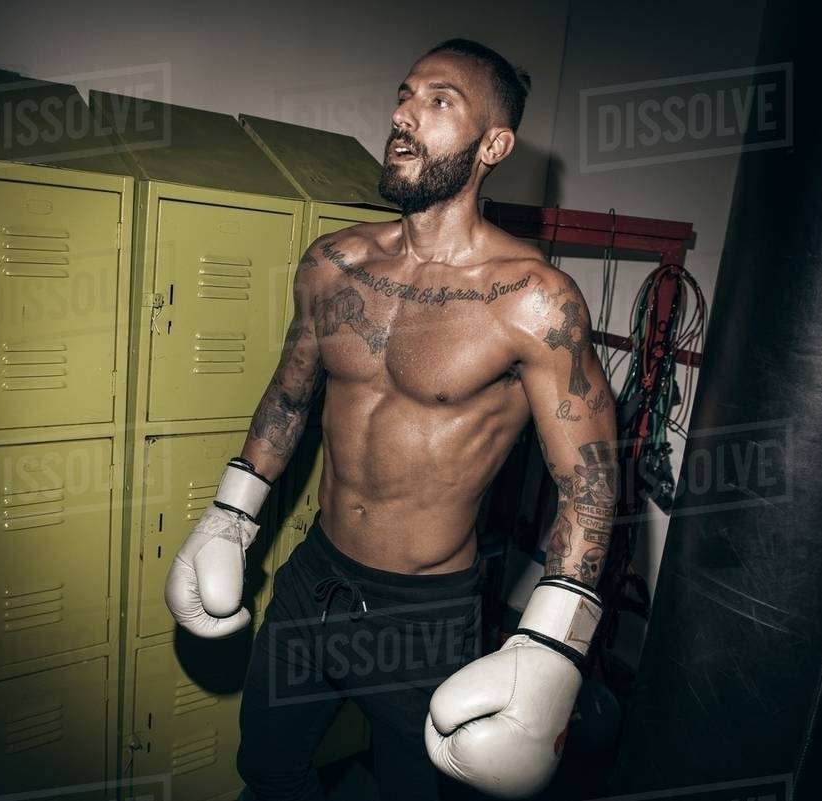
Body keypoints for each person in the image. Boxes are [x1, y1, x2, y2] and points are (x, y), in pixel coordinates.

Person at [165, 38, 618, 801]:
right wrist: (229, 517)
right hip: (313, 580)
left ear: (494, 145)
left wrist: (552, 643)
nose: (405, 114)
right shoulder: (333, 263)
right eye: (406, 94)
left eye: (440, 101)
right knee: (267, 770)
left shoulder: (536, 299)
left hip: (422, 614)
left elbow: (592, 484)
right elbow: (288, 396)